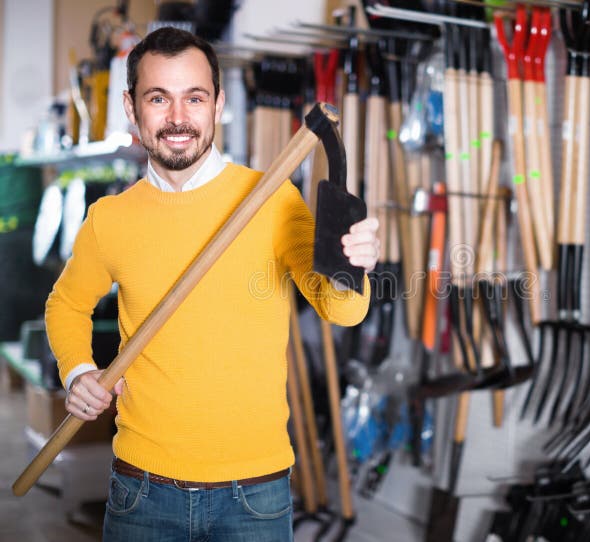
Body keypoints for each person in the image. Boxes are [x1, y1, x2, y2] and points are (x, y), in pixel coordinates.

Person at [45, 27, 379, 541]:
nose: (178, 117)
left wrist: (352, 264)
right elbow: (66, 304)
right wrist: (79, 372)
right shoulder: (109, 218)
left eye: (194, 98)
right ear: (132, 109)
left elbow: (342, 311)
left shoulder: (273, 201)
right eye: (159, 98)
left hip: (255, 493)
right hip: (142, 488)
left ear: (218, 104)